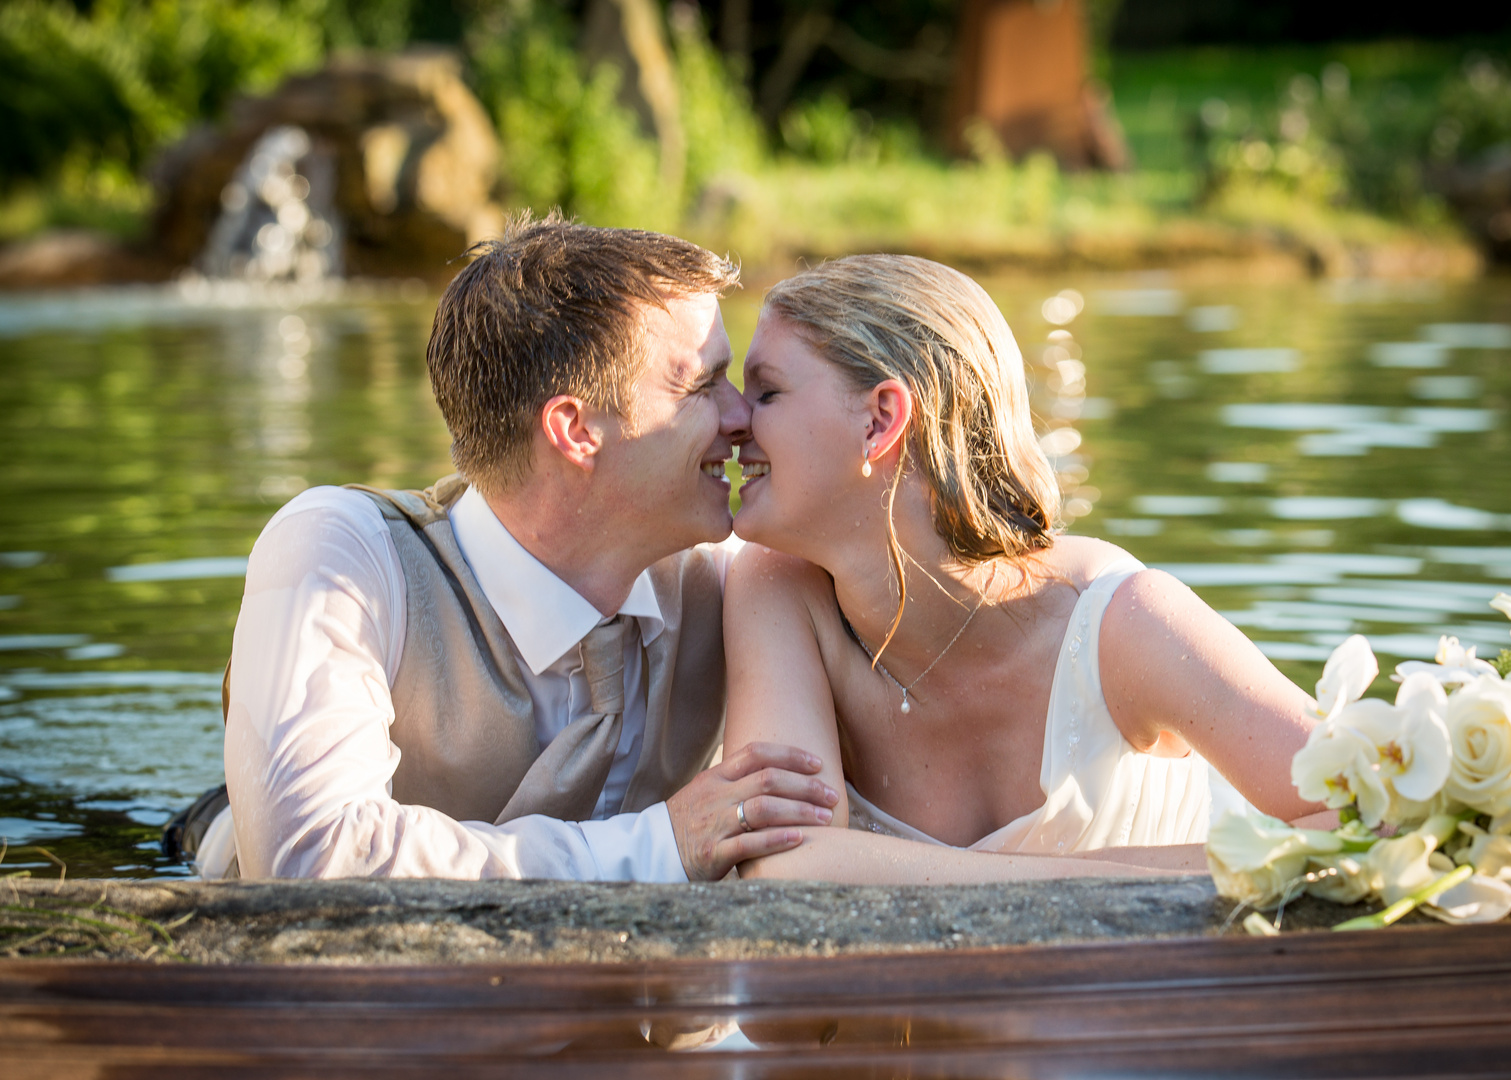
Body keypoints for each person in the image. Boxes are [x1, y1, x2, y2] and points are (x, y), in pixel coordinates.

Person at [185, 212, 839, 882]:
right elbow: (304, 863)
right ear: (576, 430)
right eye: (703, 384)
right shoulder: (343, 556)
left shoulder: (740, 592)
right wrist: (659, 848)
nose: (742, 419)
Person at [721, 254, 1331, 884]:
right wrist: (1116, 880)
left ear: (880, 419)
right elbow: (780, 864)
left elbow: (1373, 819)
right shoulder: (775, 587)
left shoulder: (1124, 625)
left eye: (767, 391)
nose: (733, 420)